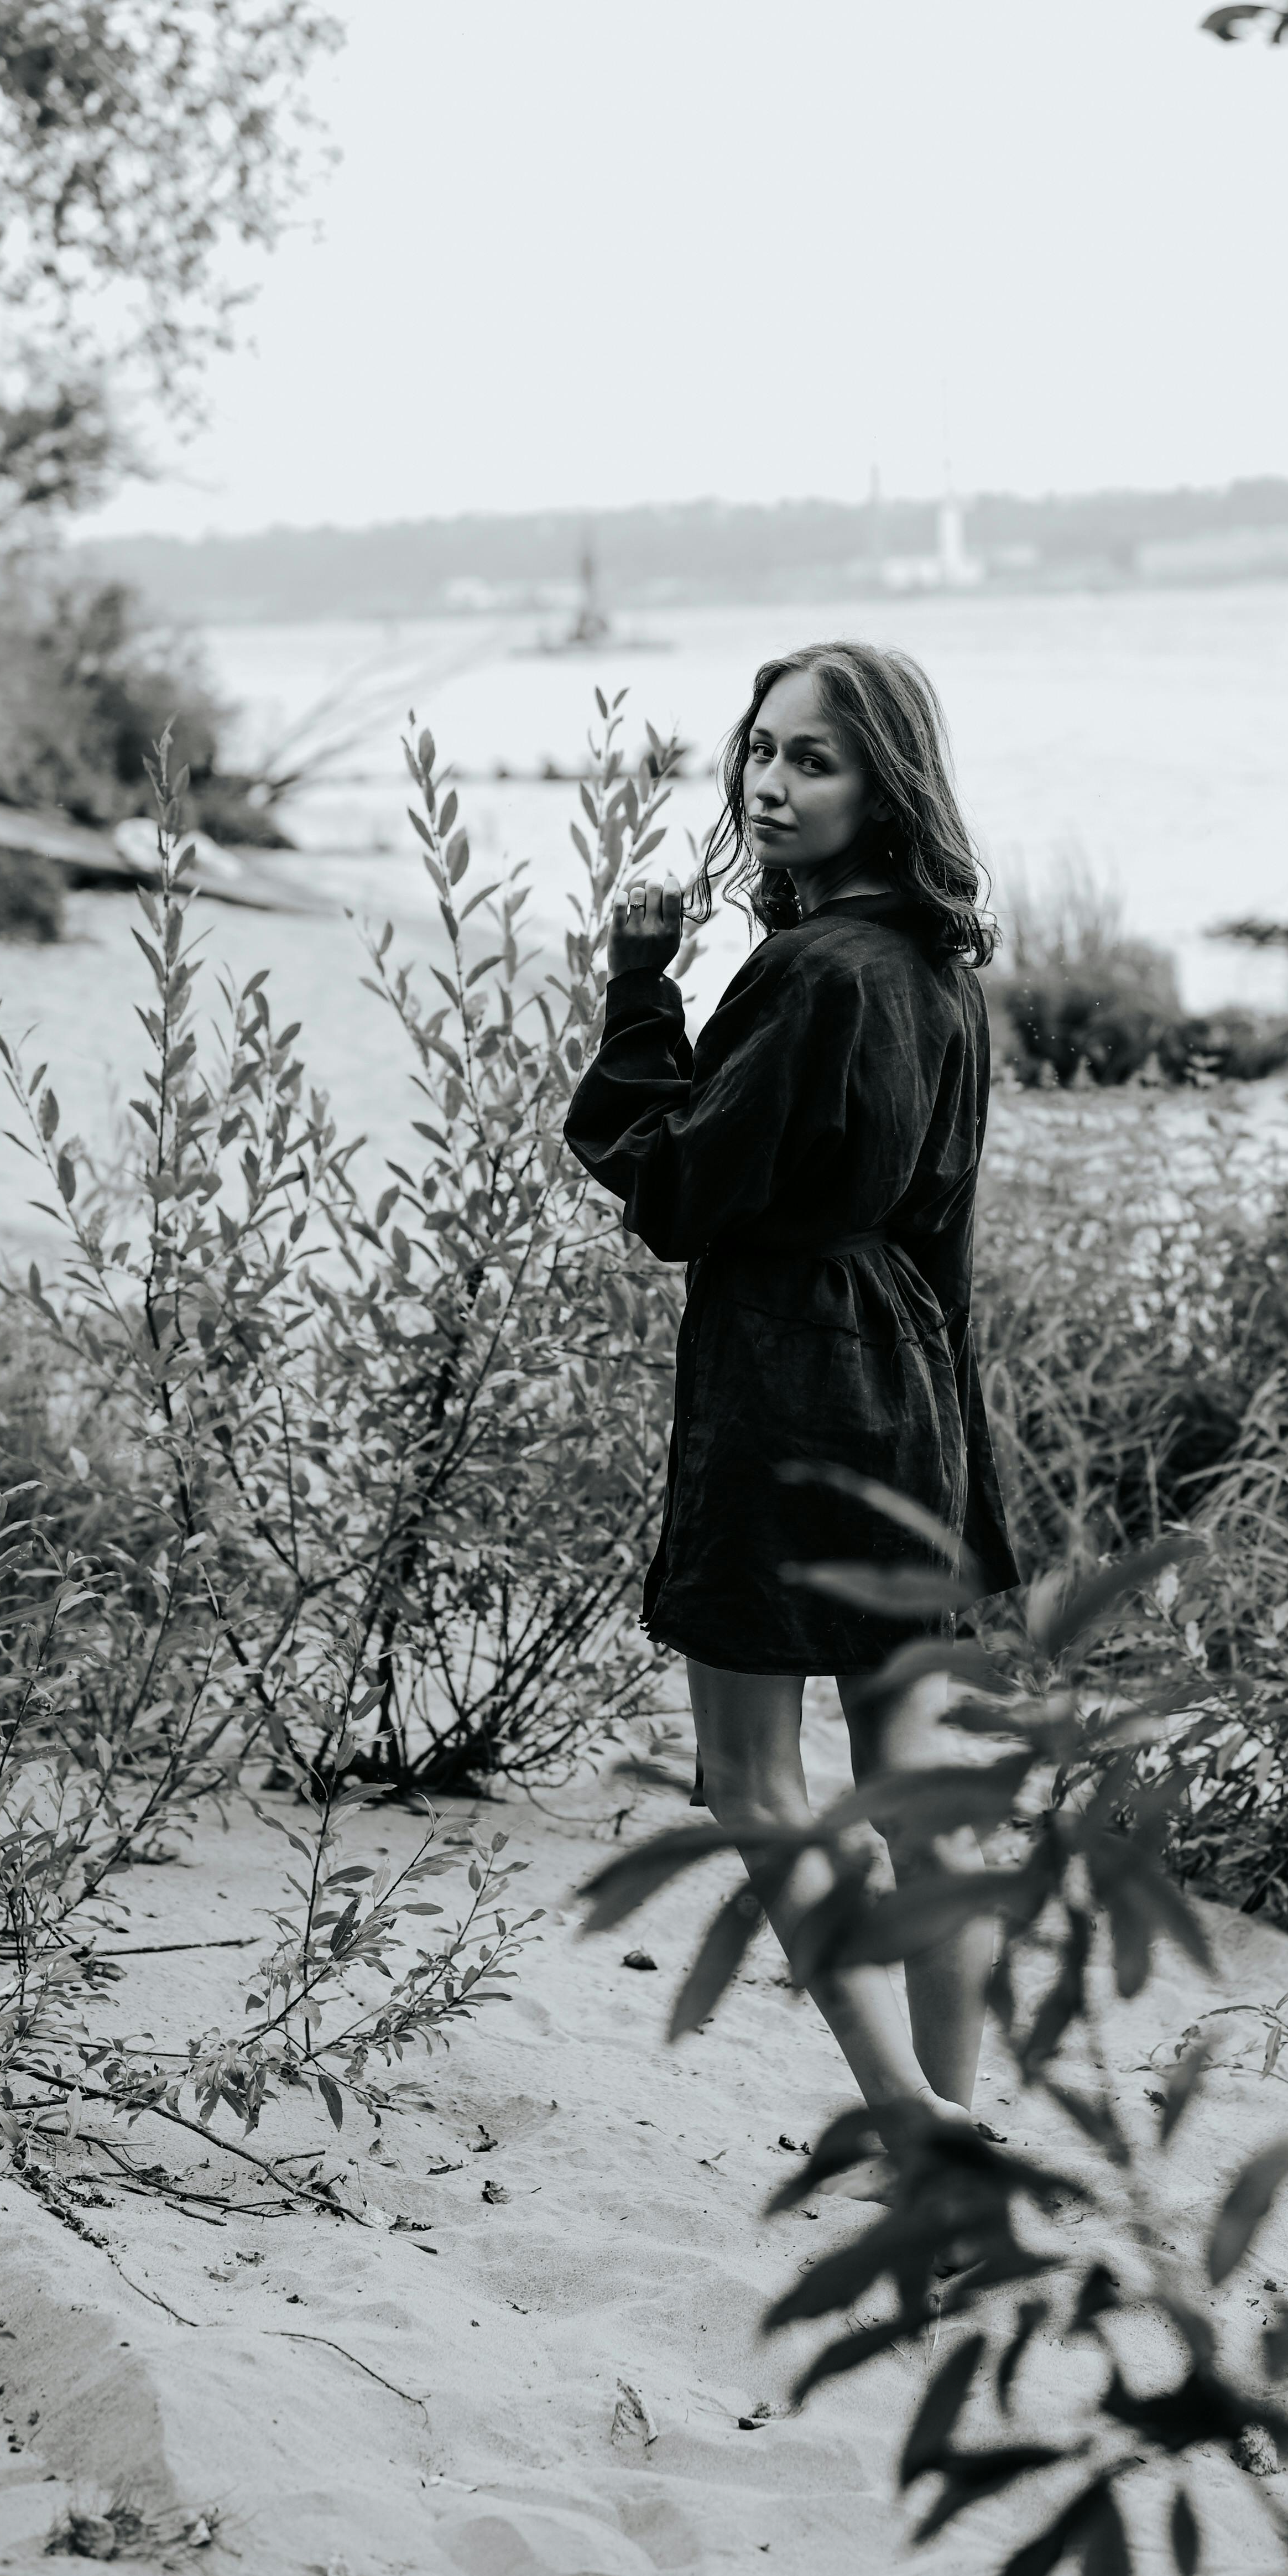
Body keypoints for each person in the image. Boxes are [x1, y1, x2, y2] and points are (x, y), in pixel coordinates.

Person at [564, 640, 1016, 2126]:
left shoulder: (816, 973)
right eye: (760, 749)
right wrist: (963, 1471)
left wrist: (639, 990)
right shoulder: (942, 976)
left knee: (753, 1782)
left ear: (887, 784)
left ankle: (909, 2116)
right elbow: (945, 1240)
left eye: (812, 758)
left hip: (789, 1388)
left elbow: (676, 1189)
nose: (770, 782)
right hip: (913, 1388)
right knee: (918, 1801)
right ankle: (954, 2119)